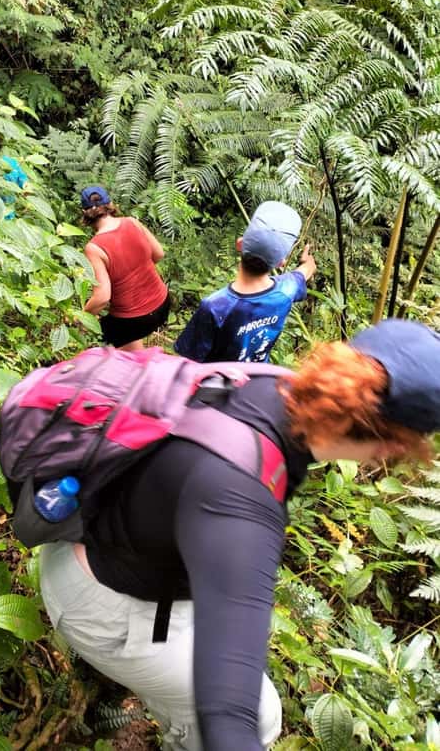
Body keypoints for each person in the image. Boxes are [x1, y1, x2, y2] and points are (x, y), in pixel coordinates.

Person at [38, 318, 439, 751]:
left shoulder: (268, 385)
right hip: (99, 602)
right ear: (391, 445)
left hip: (98, 539)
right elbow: (229, 714)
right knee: (262, 716)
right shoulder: (241, 494)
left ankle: (137, 690)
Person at [175, 201, 316, 363]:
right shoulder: (287, 290)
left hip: (217, 384)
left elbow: (188, 361)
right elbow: (306, 270)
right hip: (255, 381)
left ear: (240, 244)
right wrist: (306, 260)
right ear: (281, 263)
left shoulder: (214, 306)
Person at [81, 185, 170, 351]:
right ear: (110, 204)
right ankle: (140, 359)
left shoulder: (94, 248)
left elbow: (102, 297)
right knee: (128, 335)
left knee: (106, 339)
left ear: (84, 213)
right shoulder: (132, 222)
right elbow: (158, 254)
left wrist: (81, 317)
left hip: (133, 321)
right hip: (163, 304)